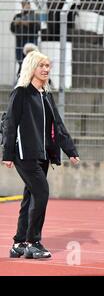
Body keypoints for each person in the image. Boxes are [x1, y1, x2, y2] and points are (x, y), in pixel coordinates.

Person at [2, 51, 80, 259]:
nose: (46, 69)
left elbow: (58, 125)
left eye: (47, 66)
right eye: (41, 66)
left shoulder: (46, 95)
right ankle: (33, 242)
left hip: (42, 154)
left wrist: (70, 150)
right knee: (42, 192)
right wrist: (7, 154)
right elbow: (10, 124)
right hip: (24, 154)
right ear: (32, 68)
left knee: (30, 196)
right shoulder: (21, 93)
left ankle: (19, 243)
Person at [10, 0, 41, 74]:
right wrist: (15, 24)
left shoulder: (34, 15)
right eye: (23, 4)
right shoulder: (18, 16)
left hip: (31, 40)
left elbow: (38, 27)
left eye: (27, 4)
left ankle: (22, 76)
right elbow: (12, 29)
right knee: (20, 60)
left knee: (30, 61)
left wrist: (29, 23)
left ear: (30, 5)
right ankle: (22, 76)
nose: (25, 6)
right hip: (20, 41)